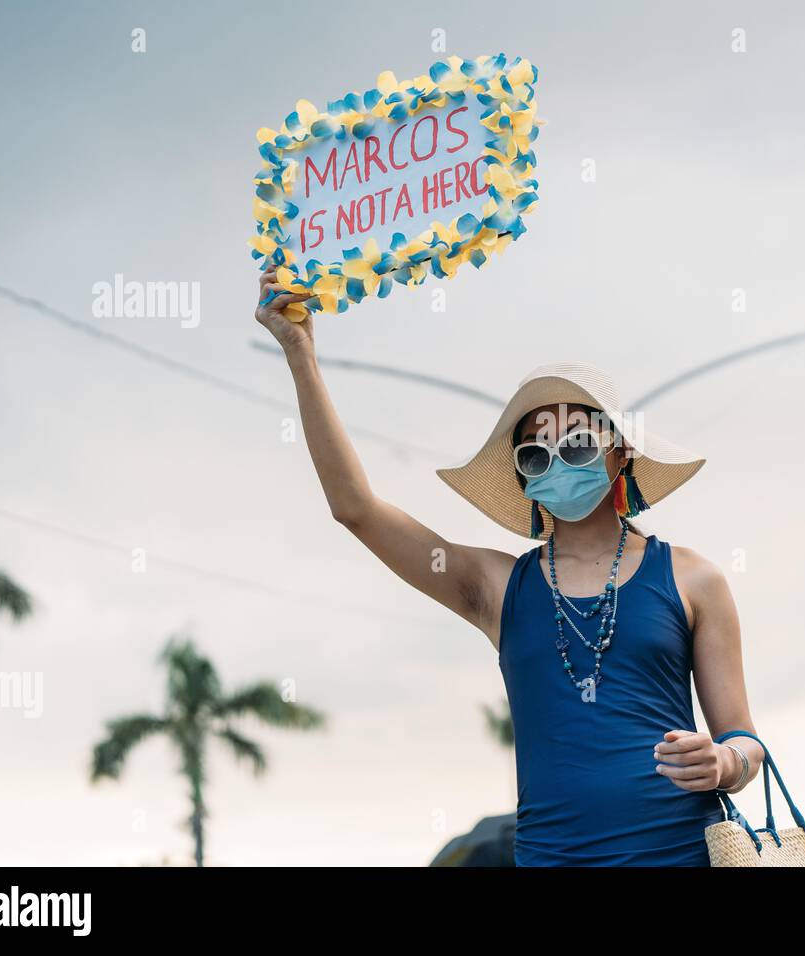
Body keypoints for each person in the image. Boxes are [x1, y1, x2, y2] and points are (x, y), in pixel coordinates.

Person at [255, 270, 766, 865]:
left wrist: (724, 762)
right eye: (536, 453)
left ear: (619, 452)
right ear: (525, 477)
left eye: (576, 442)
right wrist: (301, 356)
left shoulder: (692, 579)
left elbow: (744, 739)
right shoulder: (496, 587)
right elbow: (356, 509)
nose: (557, 461)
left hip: (680, 853)